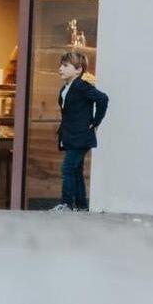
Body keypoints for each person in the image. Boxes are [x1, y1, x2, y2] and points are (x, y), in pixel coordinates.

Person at [51, 50, 109, 212]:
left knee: (67, 168)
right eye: (60, 65)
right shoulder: (65, 88)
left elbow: (103, 98)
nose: (60, 68)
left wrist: (95, 122)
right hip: (71, 136)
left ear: (78, 70)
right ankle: (82, 206)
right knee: (76, 170)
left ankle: (66, 203)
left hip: (81, 136)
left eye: (65, 65)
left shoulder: (81, 86)